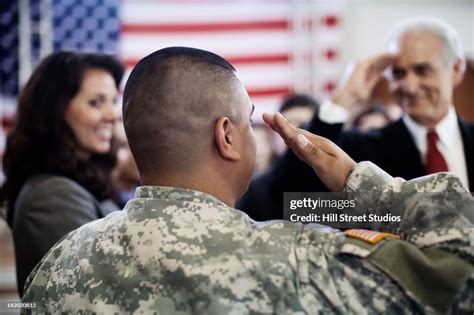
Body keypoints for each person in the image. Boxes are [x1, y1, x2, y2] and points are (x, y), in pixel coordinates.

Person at [21, 47, 473, 314]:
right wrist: (362, 184)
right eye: (249, 121)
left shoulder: (59, 264)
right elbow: (460, 273)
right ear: (226, 136)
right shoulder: (298, 261)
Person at [239, 16, 474, 220]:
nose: (410, 87)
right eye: (398, 73)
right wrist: (344, 97)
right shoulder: (362, 149)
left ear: (456, 69)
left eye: (423, 70)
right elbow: (289, 201)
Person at [0, 51, 124, 296]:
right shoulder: (51, 196)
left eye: (112, 101)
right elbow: (92, 295)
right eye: (96, 102)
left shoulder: (79, 183)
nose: (112, 115)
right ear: (55, 110)